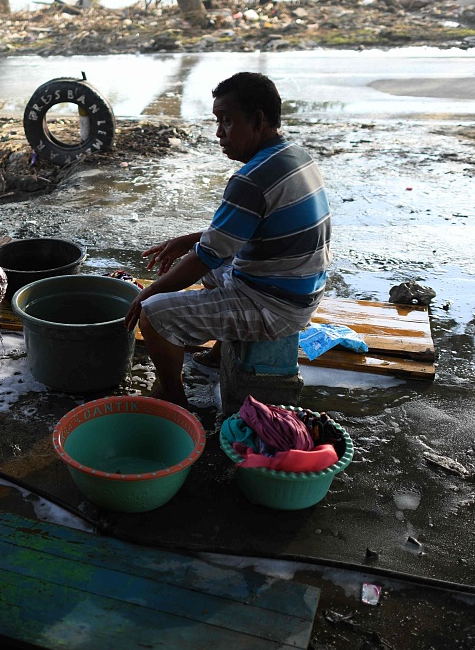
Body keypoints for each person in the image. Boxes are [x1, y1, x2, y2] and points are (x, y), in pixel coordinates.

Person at [124, 72, 331, 407]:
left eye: (227, 121)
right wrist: (190, 239)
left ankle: (173, 399)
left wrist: (148, 292)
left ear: (259, 120)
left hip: (277, 305)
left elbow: (206, 256)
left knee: (154, 314)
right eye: (217, 121)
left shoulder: (251, 178)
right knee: (208, 269)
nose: (219, 132)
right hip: (298, 286)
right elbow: (230, 237)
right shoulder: (293, 155)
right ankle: (219, 354)